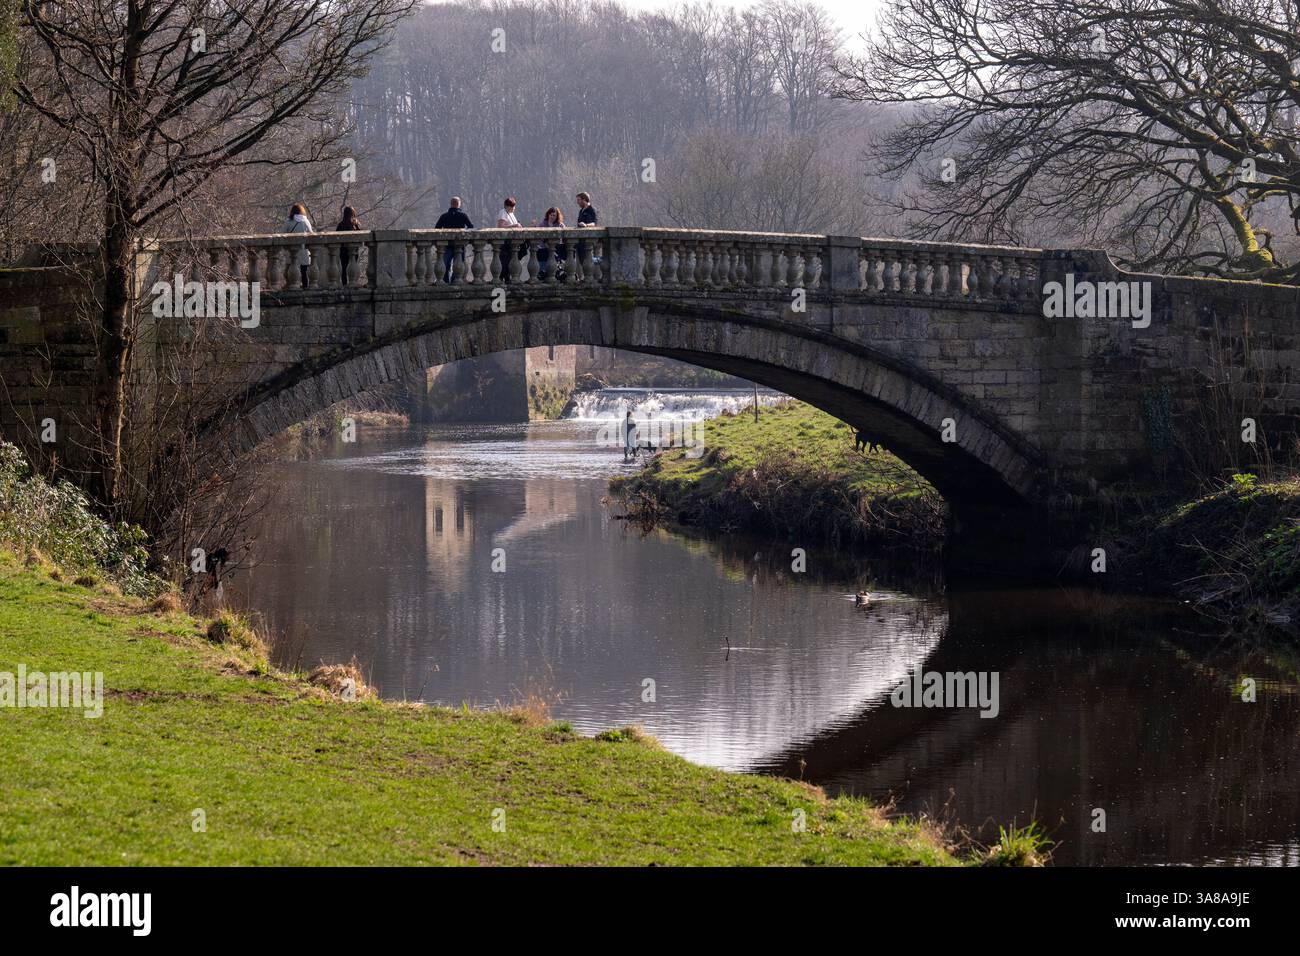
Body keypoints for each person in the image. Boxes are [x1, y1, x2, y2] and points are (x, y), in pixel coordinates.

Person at [434, 197, 474, 283]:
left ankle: (445, 281)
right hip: (460, 245)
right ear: (459, 204)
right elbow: (471, 227)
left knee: (446, 264)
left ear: (451, 204)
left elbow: (437, 229)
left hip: (446, 245)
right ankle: (454, 280)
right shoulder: (463, 215)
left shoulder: (444, 216)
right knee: (459, 264)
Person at [283, 204, 314, 288]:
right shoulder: (306, 221)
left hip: (291, 251)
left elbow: (282, 235)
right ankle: (305, 288)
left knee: (290, 270)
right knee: (304, 272)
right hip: (303, 251)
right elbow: (312, 235)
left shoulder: (288, 222)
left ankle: (291, 287)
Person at [496, 197, 526, 281]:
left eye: (514, 206)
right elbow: (500, 227)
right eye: (511, 206)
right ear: (506, 206)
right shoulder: (503, 212)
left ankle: (507, 278)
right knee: (505, 263)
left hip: (512, 243)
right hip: (505, 243)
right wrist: (514, 225)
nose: (513, 208)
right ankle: (502, 279)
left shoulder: (511, 213)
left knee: (510, 262)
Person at [535, 206, 566, 280]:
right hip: (544, 249)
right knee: (543, 264)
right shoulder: (543, 224)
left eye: (554, 215)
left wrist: (563, 227)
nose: (552, 217)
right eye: (551, 215)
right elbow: (539, 237)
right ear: (548, 215)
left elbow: (564, 235)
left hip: (555, 249)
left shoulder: (559, 224)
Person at [336, 205, 362, 285]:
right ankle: (353, 283)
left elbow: (336, 237)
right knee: (353, 265)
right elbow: (360, 235)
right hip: (354, 250)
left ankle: (344, 284)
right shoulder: (355, 224)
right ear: (353, 213)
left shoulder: (341, 224)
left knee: (344, 268)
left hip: (343, 250)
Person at [574, 191, 598, 272]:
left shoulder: (591, 210)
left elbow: (594, 223)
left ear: (584, 200)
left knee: (588, 259)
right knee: (581, 260)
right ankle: (585, 277)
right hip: (580, 240)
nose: (577, 202)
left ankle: (591, 276)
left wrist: (586, 225)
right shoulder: (581, 211)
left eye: (578, 200)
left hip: (588, 240)